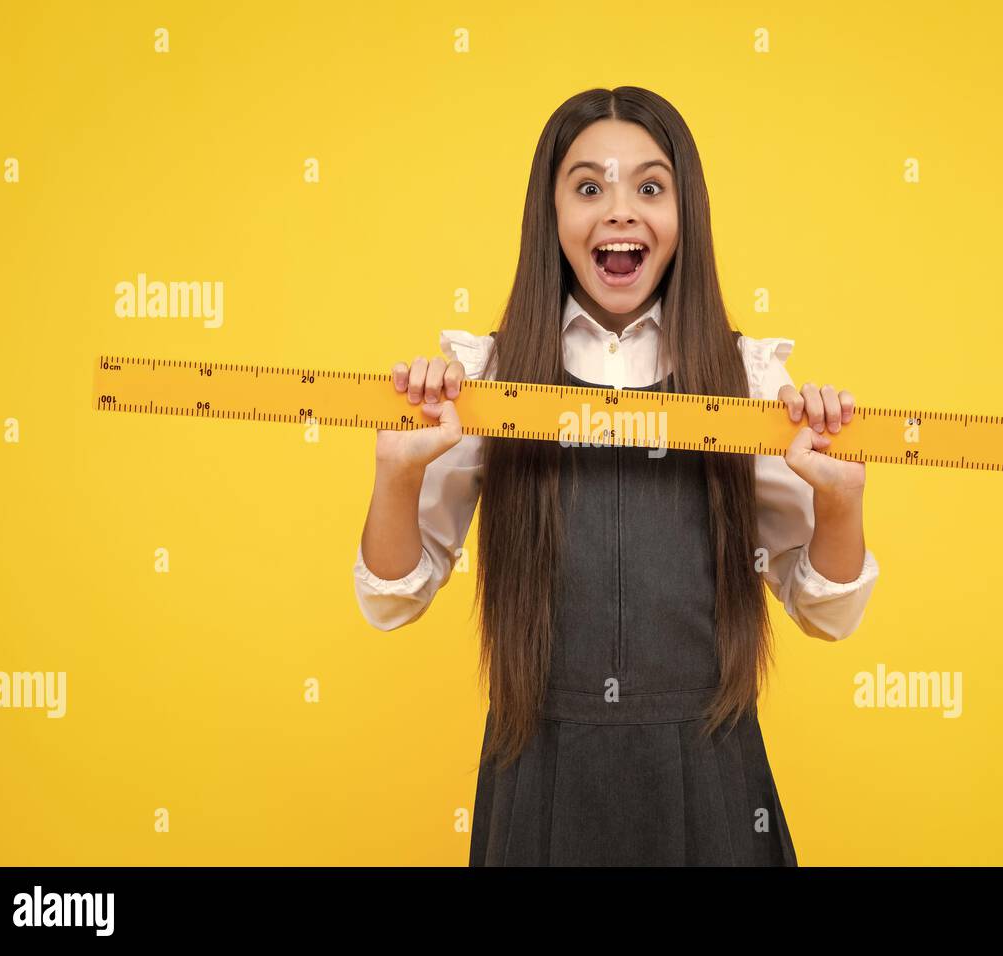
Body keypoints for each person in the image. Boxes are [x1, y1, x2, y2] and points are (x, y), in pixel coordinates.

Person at [354, 86, 880, 865]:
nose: (621, 211)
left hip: (712, 779)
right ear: (552, 215)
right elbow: (392, 600)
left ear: (683, 213)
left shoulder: (746, 379)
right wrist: (396, 475)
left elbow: (826, 612)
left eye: (650, 186)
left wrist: (839, 502)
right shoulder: (488, 378)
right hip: (540, 772)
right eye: (589, 187)